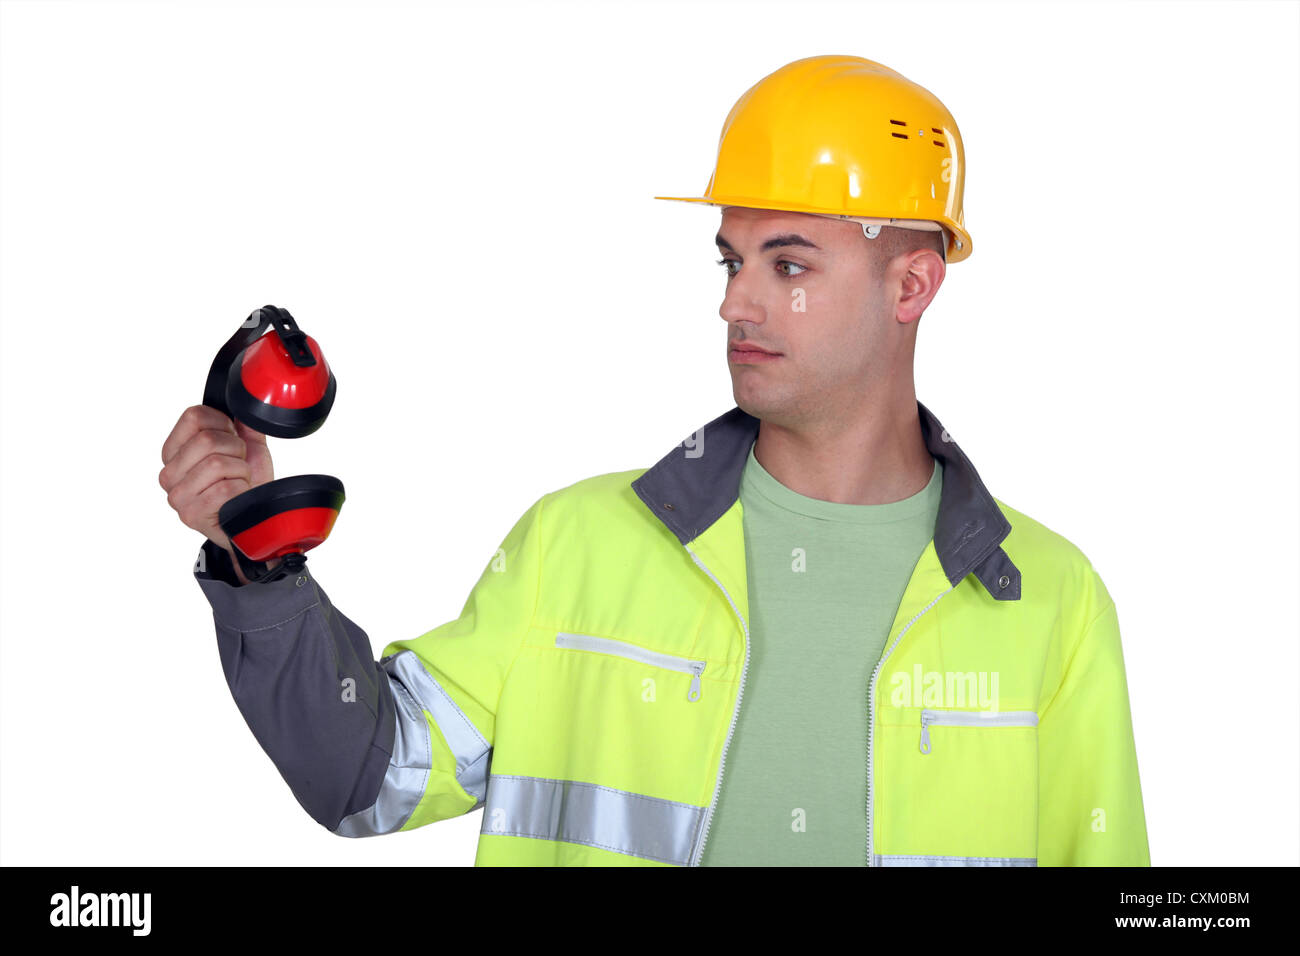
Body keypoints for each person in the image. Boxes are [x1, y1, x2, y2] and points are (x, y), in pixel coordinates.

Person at [160, 54, 1149, 866]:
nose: (736, 301)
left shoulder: (1048, 603)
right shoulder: (579, 545)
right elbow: (366, 776)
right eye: (731, 259)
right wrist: (264, 565)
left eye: (788, 264)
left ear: (911, 285)